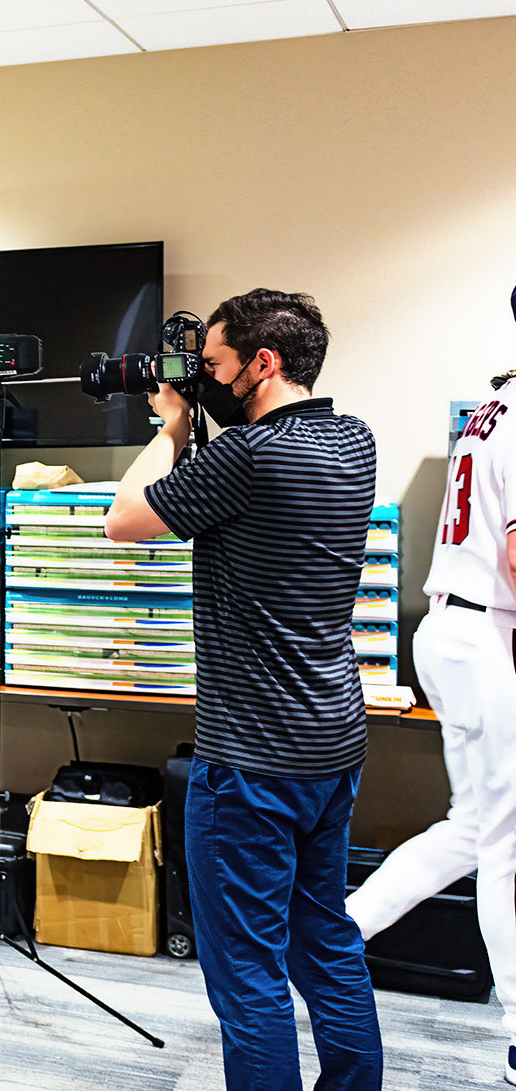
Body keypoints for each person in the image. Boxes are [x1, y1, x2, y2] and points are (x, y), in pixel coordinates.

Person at [106, 289, 381, 1090]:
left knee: (247, 975)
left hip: (251, 760)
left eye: (216, 365)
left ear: (263, 363)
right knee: (325, 941)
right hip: (332, 742)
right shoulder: (354, 441)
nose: (207, 380)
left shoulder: (249, 456)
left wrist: (172, 426)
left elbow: (123, 521)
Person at [345, 362, 516, 1085]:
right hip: (486, 635)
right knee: (507, 846)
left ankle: (337, 933)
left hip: (451, 631)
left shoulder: (493, 406)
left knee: (473, 829)